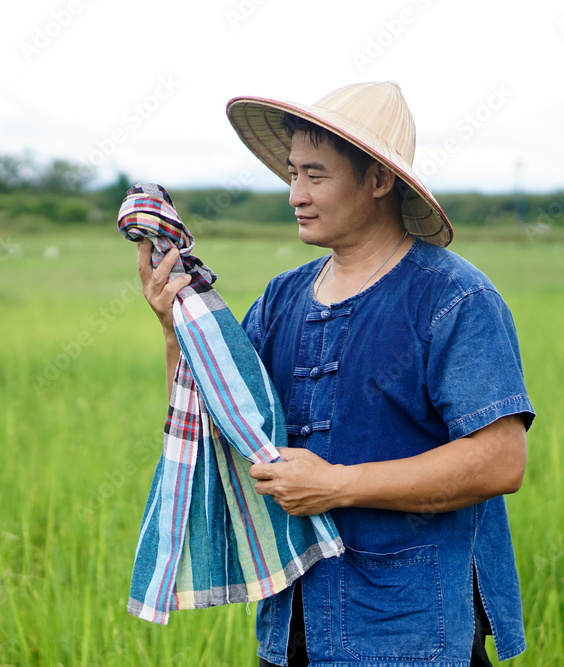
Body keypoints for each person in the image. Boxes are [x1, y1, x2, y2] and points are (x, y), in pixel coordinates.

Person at [136, 81, 535, 666]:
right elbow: (219, 423)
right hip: (293, 618)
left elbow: (501, 460)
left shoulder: (454, 298)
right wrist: (175, 327)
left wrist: (338, 484)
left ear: (378, 180)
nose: (295, 193)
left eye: (315, 176)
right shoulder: (282, 297)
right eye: (293, 173)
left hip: (413, 631)